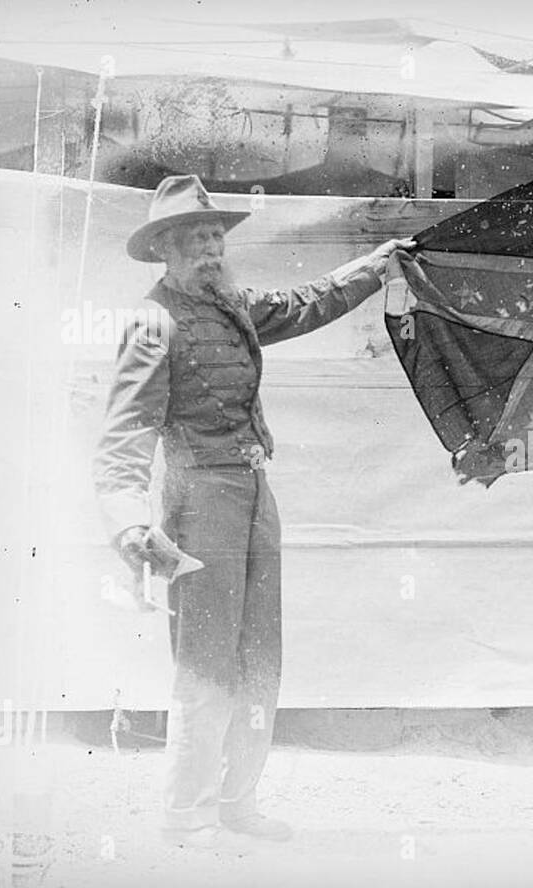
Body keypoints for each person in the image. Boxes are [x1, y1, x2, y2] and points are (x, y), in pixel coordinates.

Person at [93, 174, 414, 849]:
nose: (211, 249)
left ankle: (238, 801)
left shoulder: (231, 301)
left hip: (253, 496)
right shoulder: (152, 322)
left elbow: (304, 303)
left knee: (259, 657)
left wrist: (374, 265)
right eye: (197, 239)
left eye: (216, 237)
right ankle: (188, 814)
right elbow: (124, 435)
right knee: (206, 663)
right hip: (197, 497)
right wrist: (127, 518)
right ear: (167, 248)